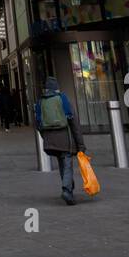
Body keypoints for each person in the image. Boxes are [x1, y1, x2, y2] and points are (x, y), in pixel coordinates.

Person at [34, 76, 87, 206]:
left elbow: (38, 124)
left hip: (51, 141)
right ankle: (67, 190)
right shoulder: (62, 99)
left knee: (62, 164)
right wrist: (80, 144)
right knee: (67, 163)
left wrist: (46, 138)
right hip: (65, 139)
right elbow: (74, 123)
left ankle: (69, 187)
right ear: (57, 88)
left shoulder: (41, 102)